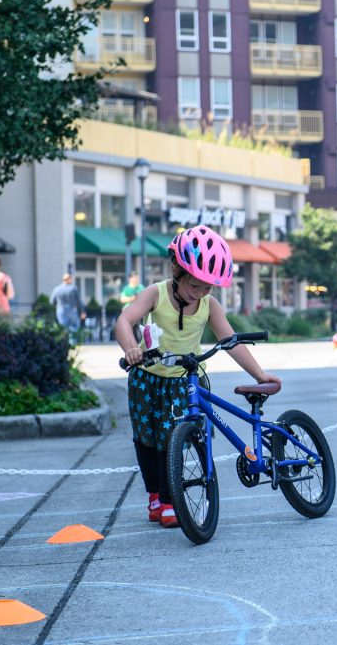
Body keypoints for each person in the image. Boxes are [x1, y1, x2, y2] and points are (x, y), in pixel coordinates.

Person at [114, 225, 282, 528]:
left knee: (170, 440)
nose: (201, 293)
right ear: (177, 270)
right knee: (146, 441)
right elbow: (125, 321)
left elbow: (230, 341)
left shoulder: (209, 304)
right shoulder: (156, 293)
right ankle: (155, 496)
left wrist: (259, 374)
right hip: (146, 378)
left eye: (208, 287)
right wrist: (130, 349)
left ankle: (169, 500)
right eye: (195, 286)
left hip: (184, 380)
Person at [50, 273, 85, 339]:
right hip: (72, 310)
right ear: (69, 279)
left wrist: (58, 306)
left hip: (61, 310)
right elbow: (79, 301)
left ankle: (64, 343)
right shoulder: (73, 288)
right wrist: (82, 311)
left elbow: (52, 301)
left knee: (63, 328)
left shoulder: (57, 289)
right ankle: (72, 343)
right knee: (74, 327)